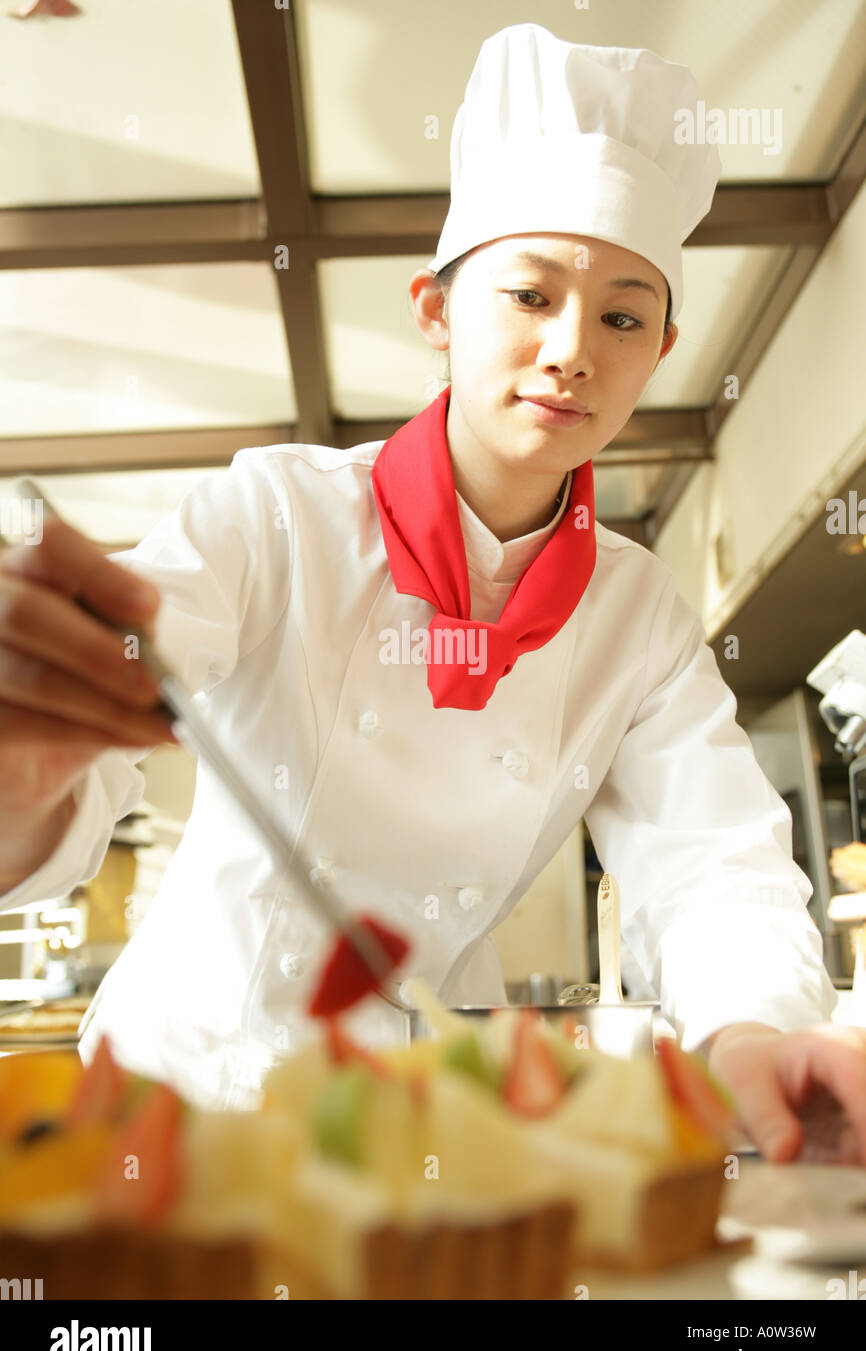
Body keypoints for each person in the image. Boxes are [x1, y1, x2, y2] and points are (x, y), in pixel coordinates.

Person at [0, 24, 864, 1163]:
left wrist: (750, 1029)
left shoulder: (636, 615)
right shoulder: (277, 516)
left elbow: (713, 866)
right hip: (183, 1108)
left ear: (658, 350)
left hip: (422, 1120)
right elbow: (89, 744)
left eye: (620, 315)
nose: (571, 350)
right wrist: (28, 751)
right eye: (528, 294)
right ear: (433, 310)